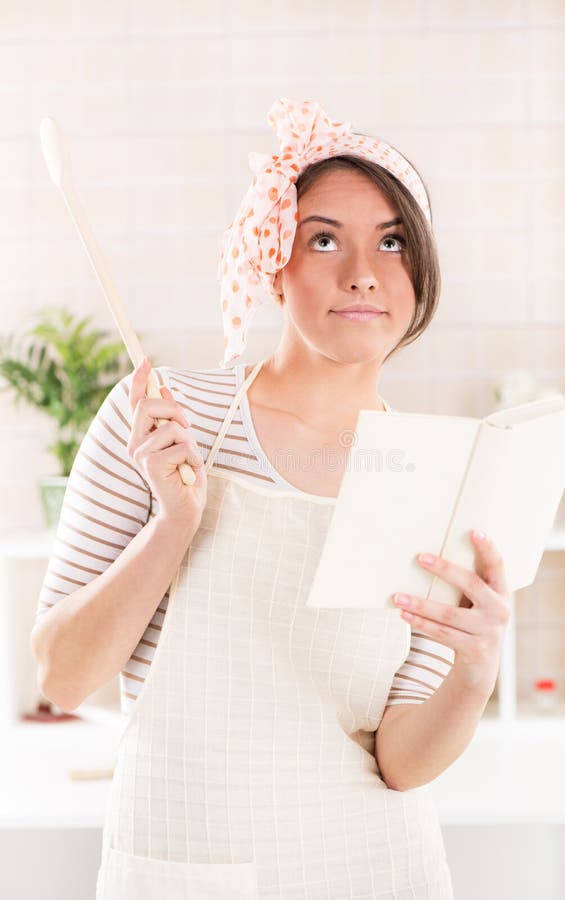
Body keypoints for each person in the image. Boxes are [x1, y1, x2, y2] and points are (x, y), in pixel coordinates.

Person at [32, 98, 511, 899]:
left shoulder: (444, 472)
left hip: (374, 869)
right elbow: (63, 677)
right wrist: (173, 524)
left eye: (392, 242)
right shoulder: (161, 414)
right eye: (322, 238)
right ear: (268, 259)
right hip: (185, 868)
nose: (361, 272)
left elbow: (401, 760)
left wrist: (474, 672)